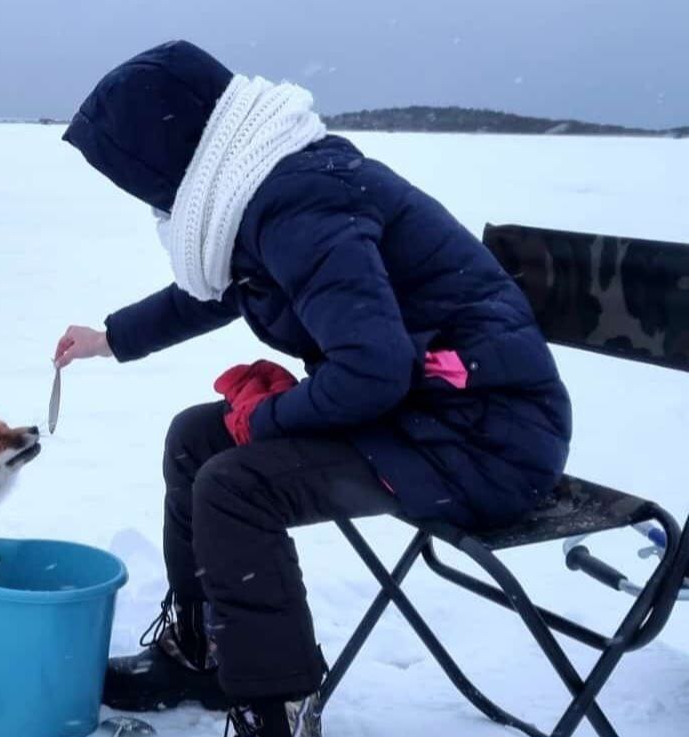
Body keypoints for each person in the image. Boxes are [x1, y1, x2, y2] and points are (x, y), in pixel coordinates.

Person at [54, 40, 571, 737]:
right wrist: (113, 338)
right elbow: (222, 291)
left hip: (485, 435)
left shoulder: (295, 201)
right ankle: (202, 651)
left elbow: (373, 368)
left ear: (166, 155)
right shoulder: (260, 185)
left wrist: (265, 419)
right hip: (422, 411)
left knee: (235, 484)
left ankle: (278, 708)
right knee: (193, 441)